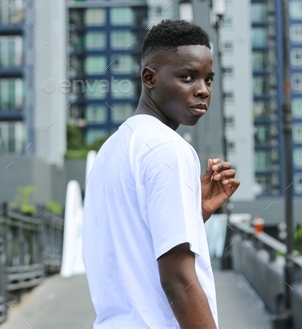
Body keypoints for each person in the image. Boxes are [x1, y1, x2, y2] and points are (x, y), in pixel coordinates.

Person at [82, 19, 240, 328]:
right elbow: (177, 277)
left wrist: (194, 215)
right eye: (187, 77)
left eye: (208, 80)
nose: (202, 91)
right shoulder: (170, 148)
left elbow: (132, 242)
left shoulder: (112, 149)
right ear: (149, 78)